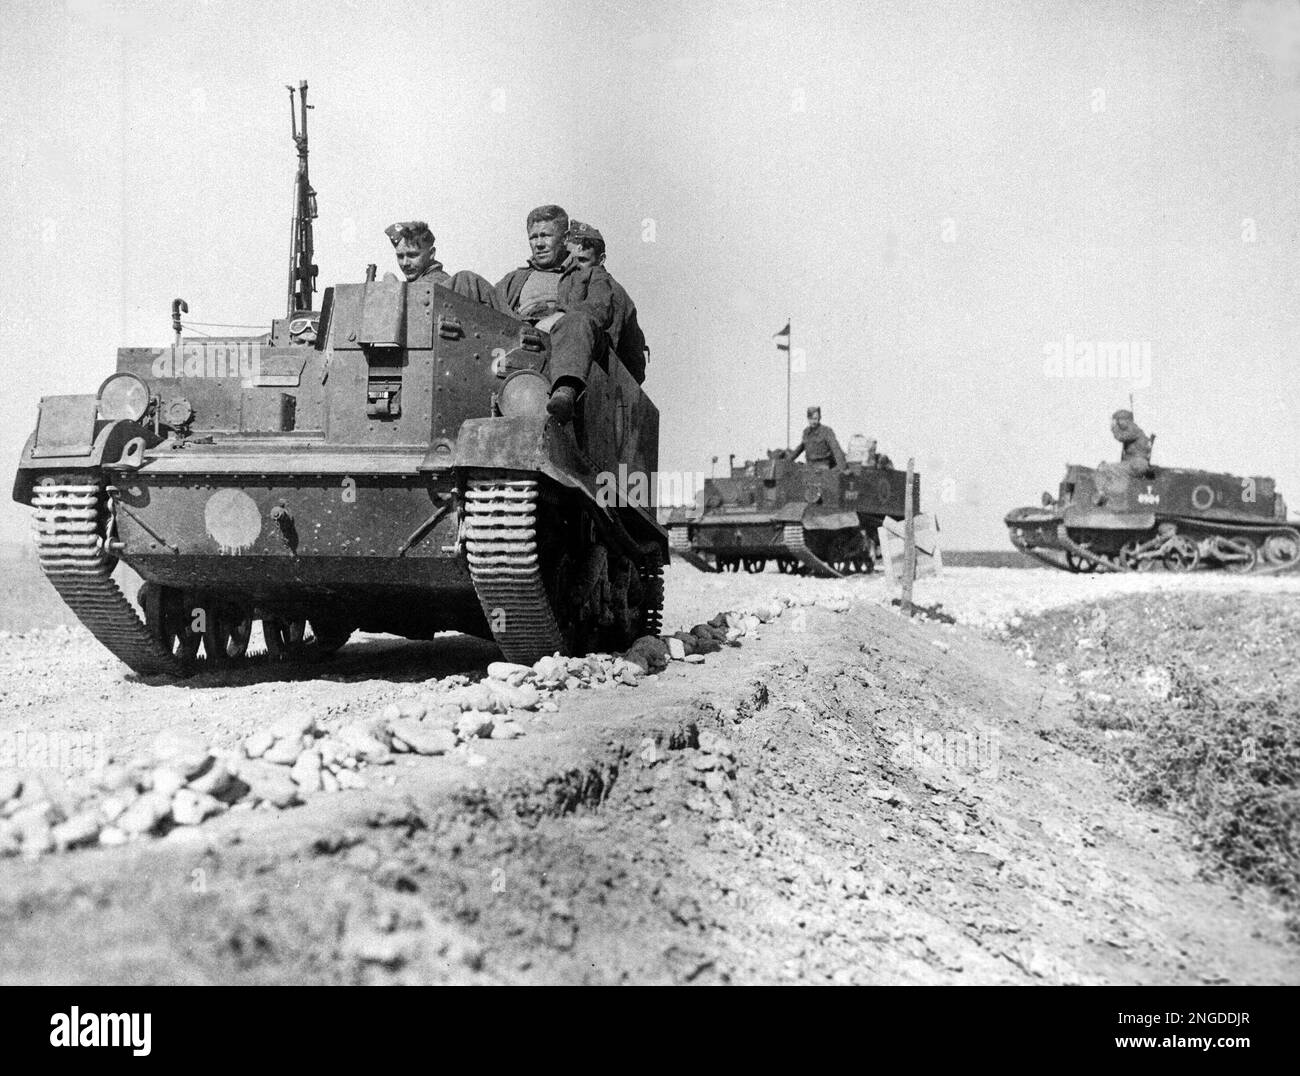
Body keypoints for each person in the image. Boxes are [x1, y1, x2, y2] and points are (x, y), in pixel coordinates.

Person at [495, 205, 615, 422]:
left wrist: (558, 317)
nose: (539, 243)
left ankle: (564, 391)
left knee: (578, 320)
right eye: (533, 237)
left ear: (565, 238)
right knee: (466, 280)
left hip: (561, 335)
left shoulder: (588, 274)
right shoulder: (513, 279)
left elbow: (599, 309)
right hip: (515, 329)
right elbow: (493, 305)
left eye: (546, 235)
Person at [564, 220, 648, 384]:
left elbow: (610, 347)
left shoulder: (611, 291)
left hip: (617, 378)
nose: (575, 267)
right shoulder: (575, 281)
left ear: (601, 260)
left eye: (582, 260)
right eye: (571, 260)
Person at [384, 221, 508, 309]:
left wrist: (393, 287)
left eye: (412, 255)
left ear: (431, 253)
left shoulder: (438, 282)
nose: (405, 263)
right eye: (400, 256)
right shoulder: (417, 283)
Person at [1111, 409, 1153, 474]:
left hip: (1138, 464)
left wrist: (1114, 427)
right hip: (1132, 462)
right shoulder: (1131, 428)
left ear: (1126, 420)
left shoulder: (1133, 429)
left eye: (1119, 420)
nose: (1118, 423)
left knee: (1108, 469)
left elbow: (1120, 437)